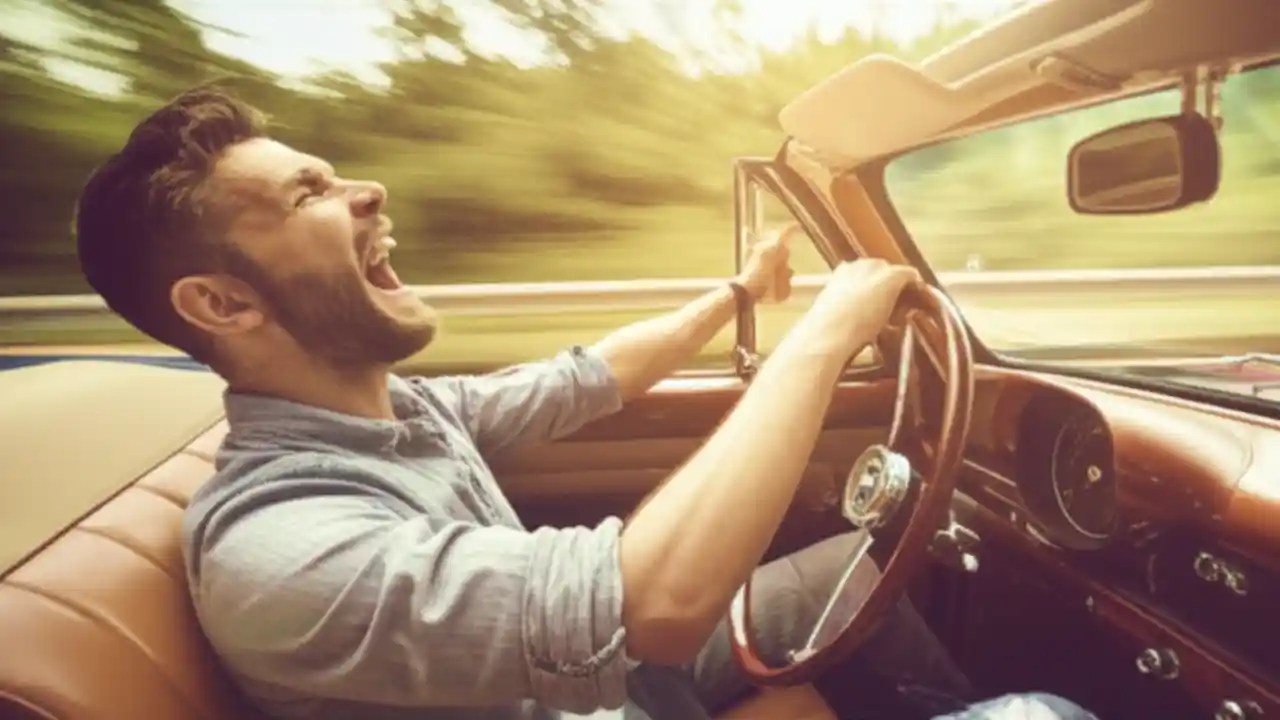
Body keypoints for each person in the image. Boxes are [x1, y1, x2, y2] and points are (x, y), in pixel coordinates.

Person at [74, 87, 1096, 720]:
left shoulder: (400, 415)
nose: (368, 192)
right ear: (220, 301)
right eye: (308, 196)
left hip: (587, 698)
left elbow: (587, 376)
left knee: (839, 569)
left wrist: (739, 296)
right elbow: (654, 604)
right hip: (589, 699)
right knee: (1048, 711)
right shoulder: (282, 550)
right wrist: (825, 334)